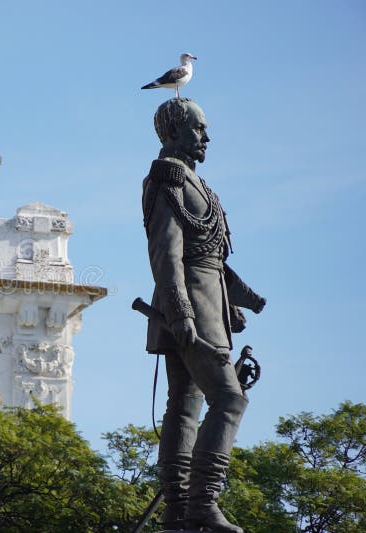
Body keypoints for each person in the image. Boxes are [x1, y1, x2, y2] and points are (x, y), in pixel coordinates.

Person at [142, 98, 266, 532]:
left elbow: (210, 254)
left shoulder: (196, 182)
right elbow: (167, 254)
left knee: (184, 406)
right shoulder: (169, 176)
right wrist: (181, 316)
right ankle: (201, 506)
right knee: (230, 399)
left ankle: (178, 510)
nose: (206, 137)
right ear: (174, 132)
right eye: (198, 128)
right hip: (190, 308)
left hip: (208, 306)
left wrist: (233, 303)